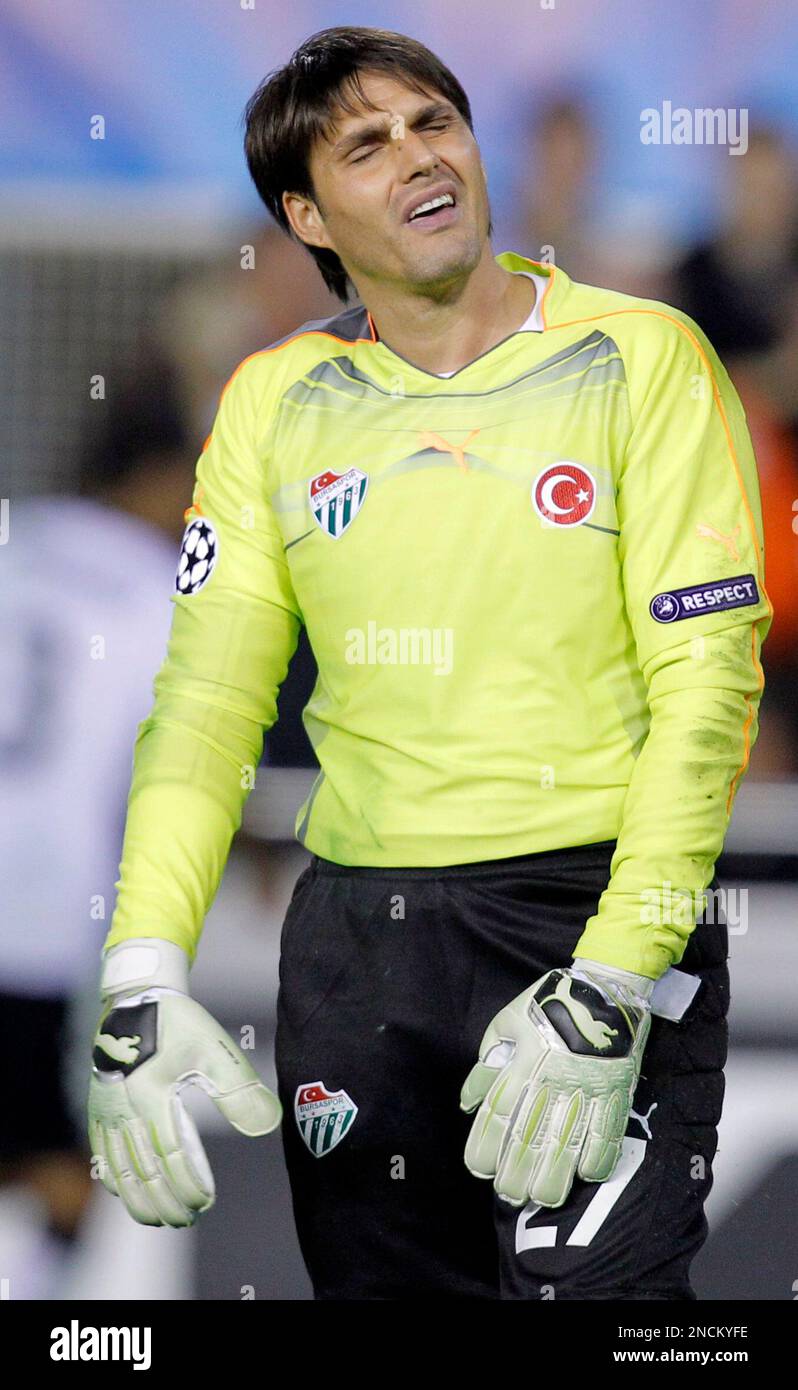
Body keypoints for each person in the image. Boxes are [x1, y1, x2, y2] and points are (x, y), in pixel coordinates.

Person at [87, 26, 772, 1301]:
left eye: (433, 123)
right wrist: (140, 968)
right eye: (367, 144)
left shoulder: (641, 357)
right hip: (357, 949)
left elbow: (708, 686)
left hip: (588, 920)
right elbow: (206, 705)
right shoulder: (272, 400)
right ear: (307, 214)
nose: (418, 155)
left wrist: (617, 972)